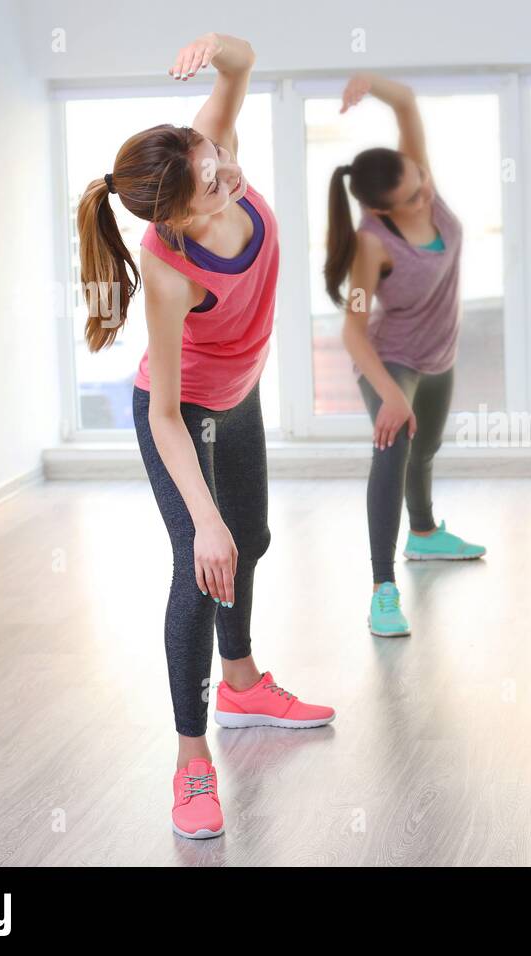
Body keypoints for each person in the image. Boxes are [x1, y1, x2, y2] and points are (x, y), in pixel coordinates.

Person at [76, 32, 334, 839]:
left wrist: (220, 44)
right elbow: (162, 411)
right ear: (180, 220)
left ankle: (243, 683)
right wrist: (204, 521)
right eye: (208, 180)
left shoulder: (212, 154)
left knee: (249, 539)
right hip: (180, 414)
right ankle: (192, 758)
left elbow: (243, 65)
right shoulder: (170, 266)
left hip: (240, 396)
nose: (224, 168)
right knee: (201, 564)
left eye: (212, 152)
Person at [323, 72, 486, 639]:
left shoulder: (421, 181)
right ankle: (382, 590)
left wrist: (370, 82)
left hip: (440, 354)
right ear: (381, 209)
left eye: (421, 184)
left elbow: (409, 104)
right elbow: (353, 329)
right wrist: (390, 392)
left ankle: (424, 533)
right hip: (392, 360)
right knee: (393, 451)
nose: (424, 196)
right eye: (411, 198)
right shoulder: (373, 243)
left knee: (428, 447)